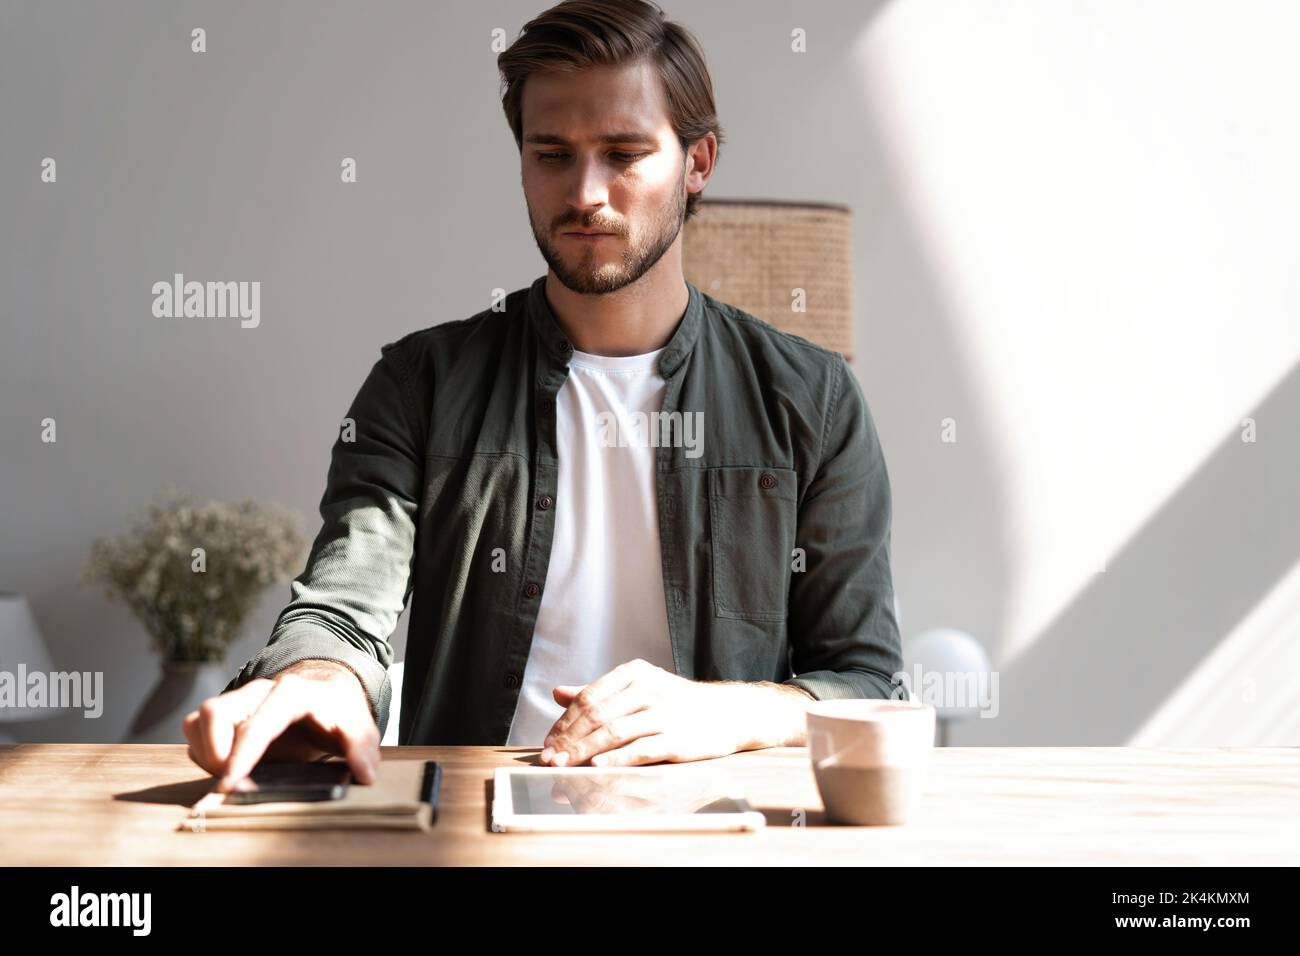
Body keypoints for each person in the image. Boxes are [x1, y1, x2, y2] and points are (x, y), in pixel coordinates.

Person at [184, 0, 904, 793]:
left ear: (698, 162)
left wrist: (723, 712)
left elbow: (869, 685)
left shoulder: (815, 400)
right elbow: (342, 606)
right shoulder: (420, 382)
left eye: (624, 153)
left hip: (719, 823)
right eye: (552, 153)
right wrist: (320, 678)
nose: (585, 192)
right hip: (471, 822)